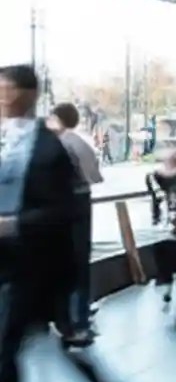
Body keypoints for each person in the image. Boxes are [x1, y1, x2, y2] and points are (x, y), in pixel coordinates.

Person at [0, 65, 157, 382]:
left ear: (29, 94)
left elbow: (65, 211)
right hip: (12, 266)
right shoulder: (8, 141)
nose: (2, 96)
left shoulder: (50, 149)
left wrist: (14, 224)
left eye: (8, 89)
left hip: (34, 270)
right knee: (53, 353)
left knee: (6, 351)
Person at [45, 102, 104, 348]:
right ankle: (77, 318)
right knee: (78, 262)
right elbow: (94, 175)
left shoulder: (63, 143)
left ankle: (73, 322)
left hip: (68, 205)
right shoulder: (78, 143)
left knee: (70, 262)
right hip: (78, 202)